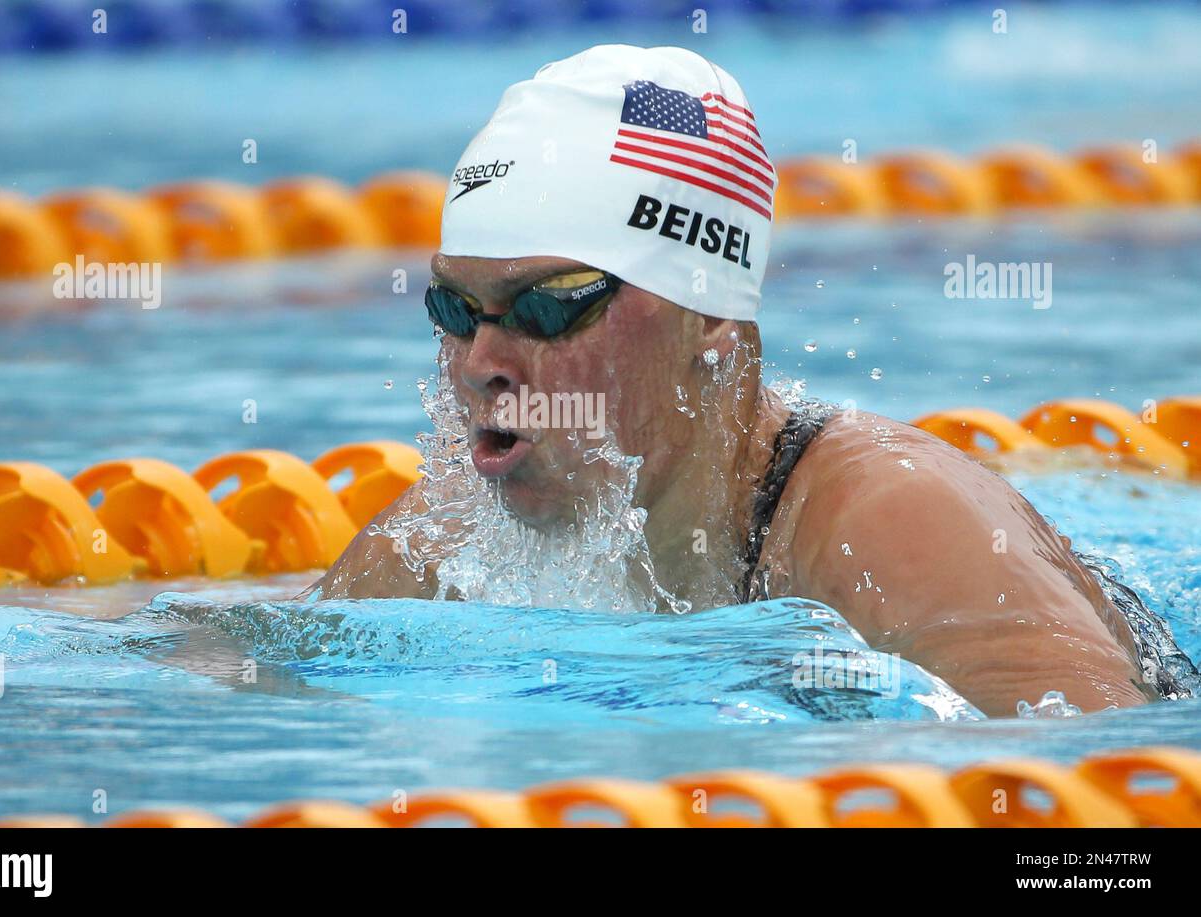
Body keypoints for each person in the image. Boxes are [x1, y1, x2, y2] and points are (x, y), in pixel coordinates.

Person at [311, 44, 1196, 717]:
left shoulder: (892, 524)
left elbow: (1107, 815)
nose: (478, 363)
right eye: (455, 309)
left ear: (710, 317)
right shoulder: (443, 546)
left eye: (547, 307)